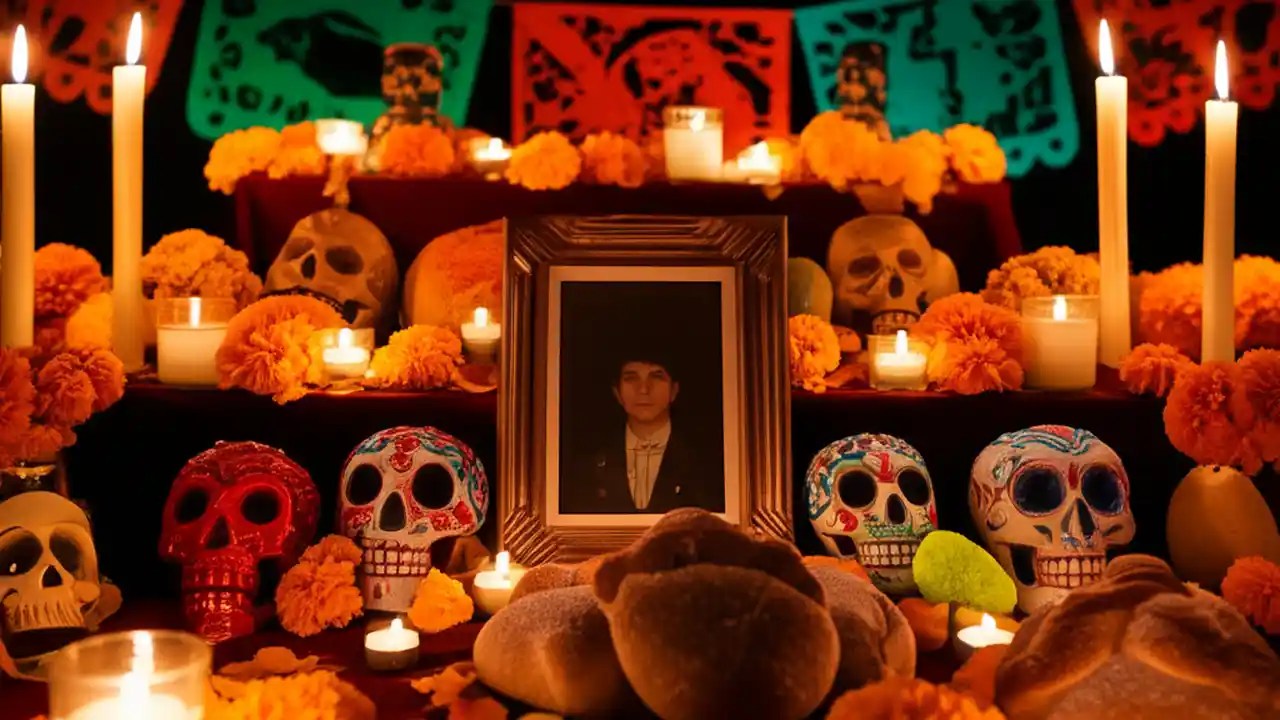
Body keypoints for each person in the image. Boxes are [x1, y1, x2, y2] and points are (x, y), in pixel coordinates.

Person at [562, 352, 725, 514]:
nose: (644, 389)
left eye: (656, 376)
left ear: (674, 390)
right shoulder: (589, 463)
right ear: (617, 392)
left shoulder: (707, 461)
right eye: (631, 378)